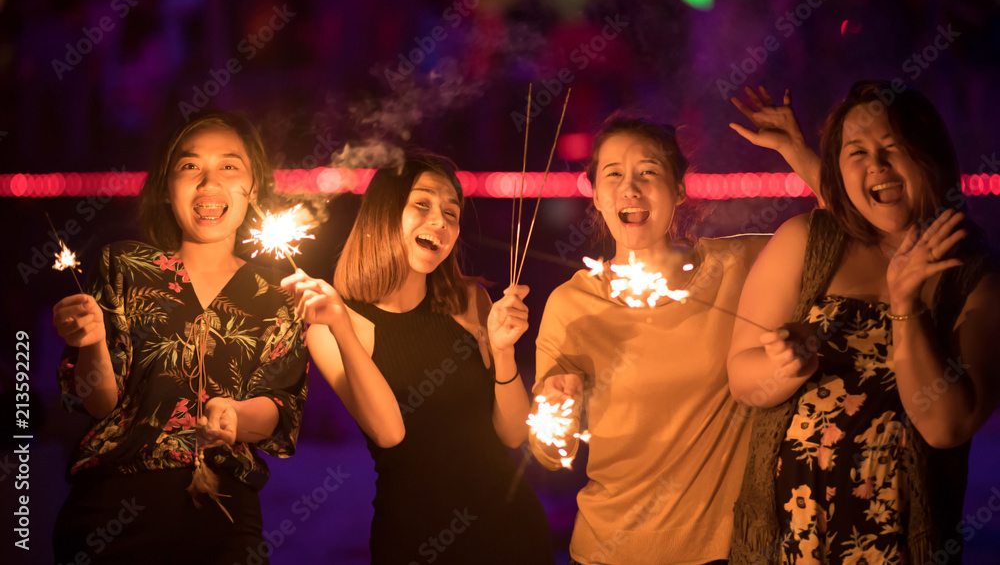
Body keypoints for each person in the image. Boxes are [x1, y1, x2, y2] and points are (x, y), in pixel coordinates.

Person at [727, 81, 1000, 564]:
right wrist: (784, 367)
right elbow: (742, 379)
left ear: (930, 157)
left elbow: (947, 426)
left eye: (892, 147)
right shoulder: (807, 241)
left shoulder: (975, 277)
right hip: (787, 546)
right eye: (857, 151)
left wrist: (905, 303)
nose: (876, 164)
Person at [52, 111, 309, 564]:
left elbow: (278, 410)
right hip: (112, 514)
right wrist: (91, 341)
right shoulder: (124, 267)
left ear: (253, 188)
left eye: (229, 166)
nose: (209, 182)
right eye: (190, 166)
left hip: (224, 520)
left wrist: (234, 415)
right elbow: (98, 403)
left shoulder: (280, 294)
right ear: (167, 189)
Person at [530, 114, 787, 565]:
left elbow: (838, 230)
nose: (630, 188)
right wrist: (555, 409)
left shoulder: (738, 266)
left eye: (648, 172)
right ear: (595, 194)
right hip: (606, 552)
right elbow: (552, 454)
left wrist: (797, 153)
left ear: (680, 189)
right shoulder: (571, 305)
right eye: (614, 175)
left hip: (722, 551)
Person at [281, 152, 555, 564]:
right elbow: (390, 432)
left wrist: (502, 350)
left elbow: (514, 435)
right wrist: (340, 323)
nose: (440, 222)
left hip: (511, 532)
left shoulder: (470, 301)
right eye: (422, 204)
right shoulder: (332, 325)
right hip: (414, 539)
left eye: (451, 212)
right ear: (385, 214)